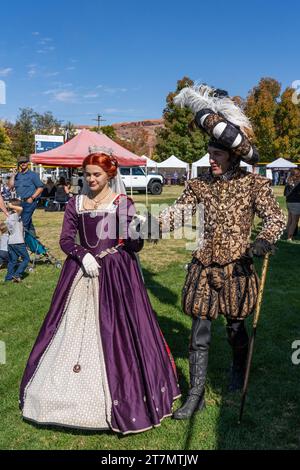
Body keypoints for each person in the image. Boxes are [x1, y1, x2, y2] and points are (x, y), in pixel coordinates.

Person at [19, 151, 180, 434]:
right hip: (81, 272)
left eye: (97, 174)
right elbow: (66, 239)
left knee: (117, 329)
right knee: (68, 328)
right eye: (88, 174)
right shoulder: (75, 204)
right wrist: (83, 255)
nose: (91, 179)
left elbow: (132, 246)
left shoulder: (122, 203)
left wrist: (137, 230)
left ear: (110, 176)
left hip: (116, 273)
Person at [157, 84, 285, 420]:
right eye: (210, 154)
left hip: (237, 268)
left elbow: (276, 216)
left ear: (233, 155)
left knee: (234, 327)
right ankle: (195, 394)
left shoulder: (254, 184)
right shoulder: (199, 184)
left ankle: (238, 368)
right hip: (204, 265)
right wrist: (146, 226)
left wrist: (265, 239)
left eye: (217, 155)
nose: (210, 160)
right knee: (199, 330)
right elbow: (179, 213)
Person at [8, 157, 44, 236]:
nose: (23, 164)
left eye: (24, 162)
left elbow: (40, 187)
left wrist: (32, 197)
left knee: (23, 223)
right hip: (19, 202)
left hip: (29, 202)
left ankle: (22, 242)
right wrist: (13, 175)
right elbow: (10, 186)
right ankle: (32, 240)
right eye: (21, 163)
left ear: (27, 163)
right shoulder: (17, 175)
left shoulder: (33, 175)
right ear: (19, 165)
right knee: (27, 221)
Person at [5, 199, 30, 283]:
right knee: (26, 259)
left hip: (10, 242)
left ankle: (8, 278)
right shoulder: (15, 215)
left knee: (13, 261)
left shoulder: (8, 217)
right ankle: (17, 275)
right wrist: (11, 206)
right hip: (18, 242)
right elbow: (21, 209)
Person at [284, 168, 300, 241]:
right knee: (294, 221)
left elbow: (285, 194)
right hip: (296, 203)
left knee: (290, 220)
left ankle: (286, 233)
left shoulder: (288, 181)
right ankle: (289, 237)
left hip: (289, 202)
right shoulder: (298, 182)